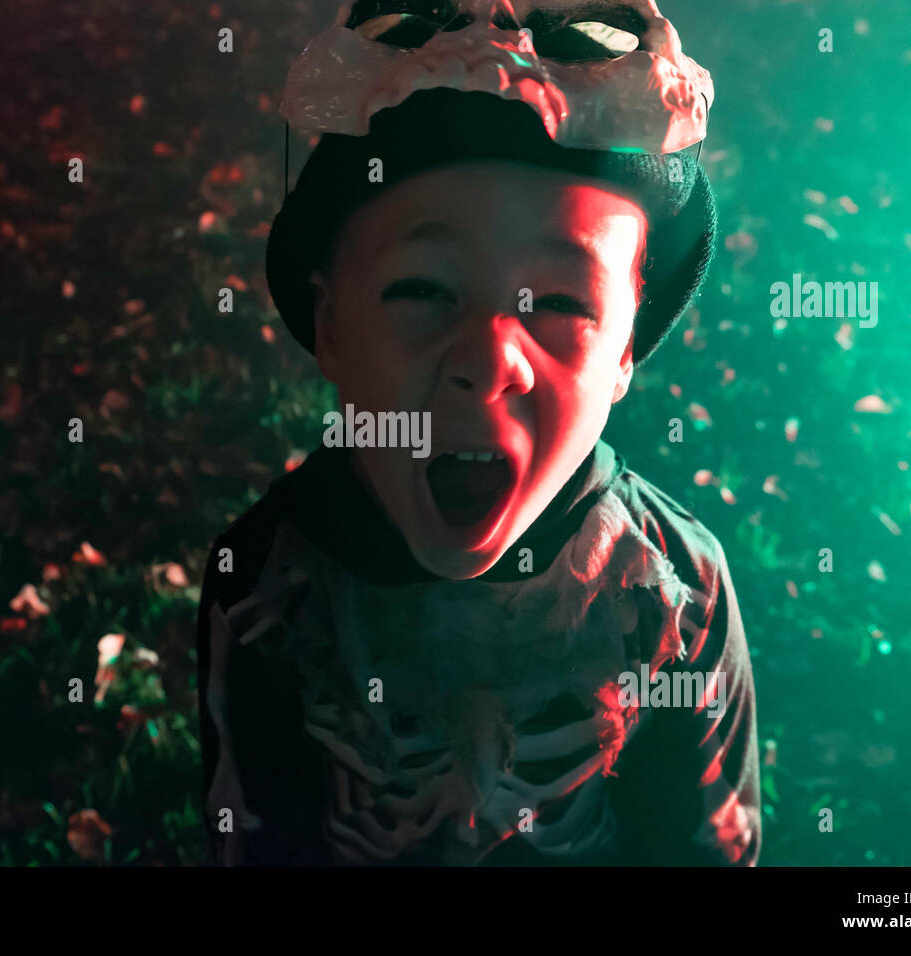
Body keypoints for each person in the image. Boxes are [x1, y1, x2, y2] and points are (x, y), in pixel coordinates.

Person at [196, 0, 760, 865]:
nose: (490, 359)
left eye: (565, 303)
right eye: (422, 289)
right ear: (331, 325)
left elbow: (706, 845)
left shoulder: (676, 593)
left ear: (625, 357)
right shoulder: (266, 583)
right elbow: (252, 835)